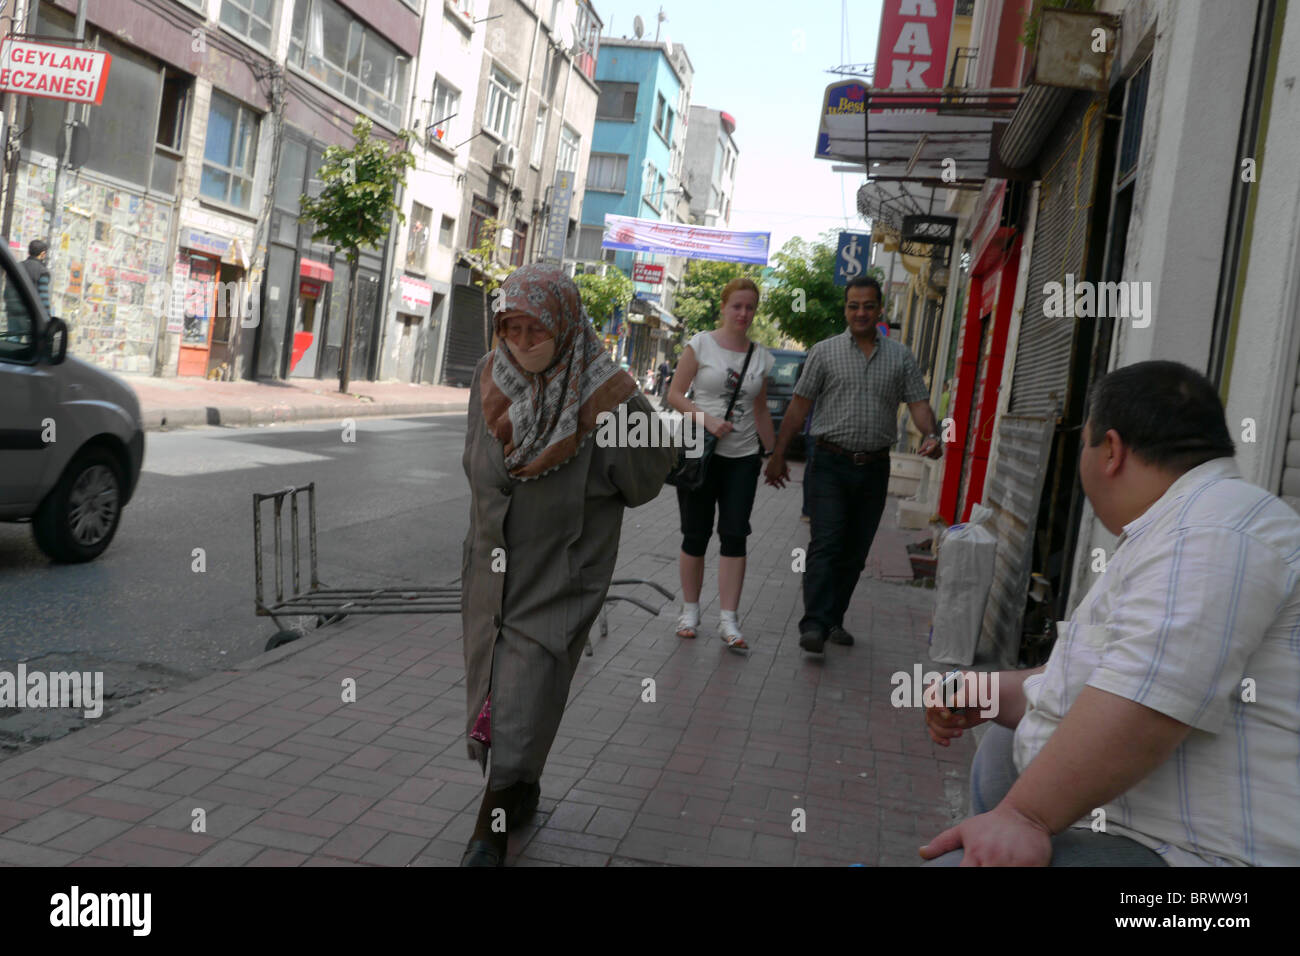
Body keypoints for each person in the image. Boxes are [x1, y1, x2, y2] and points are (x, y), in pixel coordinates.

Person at [921, 361, 1300, 866]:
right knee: (1001, 751)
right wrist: (987, 693)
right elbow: (1091, 681)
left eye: (1084, 444)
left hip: (1207, 862)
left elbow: (1147, 700)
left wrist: (1024, 816)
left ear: (1112, 451)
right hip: (1144, 835)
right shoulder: (1179, 527)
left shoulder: (1214, 533)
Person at [458, 263, 676, 867]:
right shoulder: (486, 378)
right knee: (493, 697)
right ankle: (520, 790)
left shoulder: (609, 394)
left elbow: (646, 476)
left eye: (536, 329)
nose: (523, 343)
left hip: (558, 574)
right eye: (512, 328)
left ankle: (489, 834)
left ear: (566, 324)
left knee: (522, 698)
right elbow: (474, 463)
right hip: (490, 574)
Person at [765, 276, 942, 655]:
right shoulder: (824, 352)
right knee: (826, 543)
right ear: (846, 310)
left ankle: (833, 620)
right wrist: (778, 454)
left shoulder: (901, 357)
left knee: (855, 551)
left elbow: (919, 406)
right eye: (853, 306)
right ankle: (813, 624)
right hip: (829, 462)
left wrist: (933, 435)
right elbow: (799, 406)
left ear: (880, 310)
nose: (860, 312)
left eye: (867, 306)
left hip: (875, 468)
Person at [665, 277, 776, 651]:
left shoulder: (761, 357)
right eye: (737, 306)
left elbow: (760, 409)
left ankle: (729, 620)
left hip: (742, 458)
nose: (743, 313)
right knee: (694, 535)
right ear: (724, 307)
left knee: (734, 535)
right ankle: (690, 612)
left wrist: (773, 454)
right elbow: (675, 394)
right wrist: (707, 419)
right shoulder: (700, 345)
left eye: (750, 307)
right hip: (698, 450)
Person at [22, 240, 51, 314]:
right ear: (43, 254)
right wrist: (48, 319)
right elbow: (43, 299)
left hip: (12, 315)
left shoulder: (18, 266)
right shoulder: (43, 271)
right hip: (31, 316)